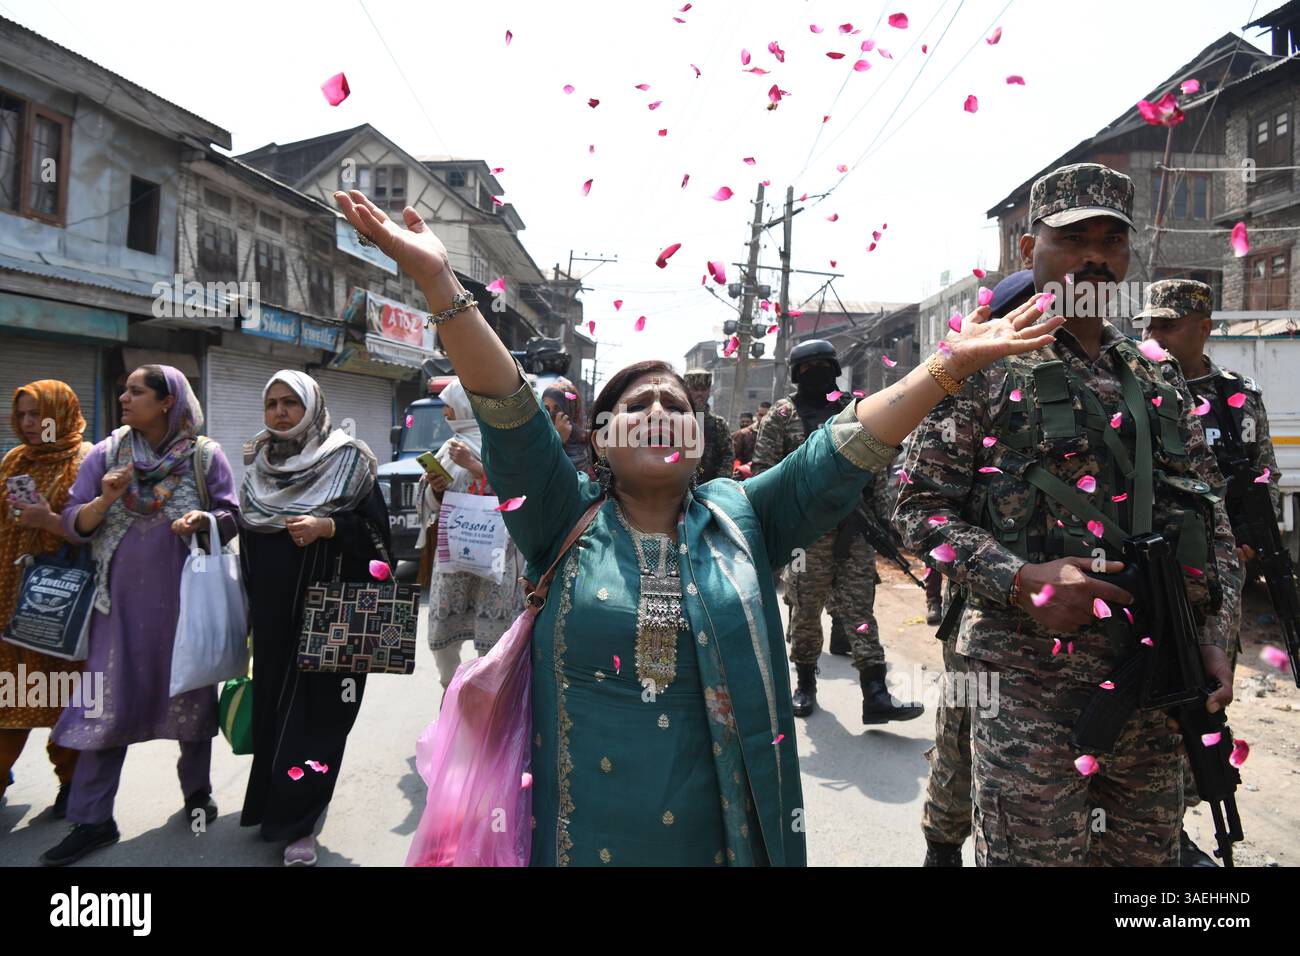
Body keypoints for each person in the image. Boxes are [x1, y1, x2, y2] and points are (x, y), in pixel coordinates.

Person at [334, 185, 1062, 865]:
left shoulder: (746, 516)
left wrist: (948, 366)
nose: (657, 412)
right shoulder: (560, 517)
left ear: (699, 435)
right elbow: (510, 411)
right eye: (636, 404)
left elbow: (841, 449)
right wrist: (440, 284)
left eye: (673, 403)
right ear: (604, 439)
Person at [894, 163, 1241, 867]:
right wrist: (1023, 578)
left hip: (1151, 676)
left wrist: (1217, 637)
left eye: (1111, 241)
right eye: (1073, 237)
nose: (1095, 256)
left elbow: (1216, 524)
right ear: (1028, 252)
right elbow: (916, 511)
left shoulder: (1160, 377)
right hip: (1025, 684)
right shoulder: (979, 366)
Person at [40, 366, 240, 866]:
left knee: (191, 704)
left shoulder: (203, 456)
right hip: (116, 611)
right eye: (123, 390)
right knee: (102, 712)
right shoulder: (106, 455)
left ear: (167, 401)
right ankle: (92, 820)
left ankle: (197, 797)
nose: (124, 398)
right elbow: (73, 523)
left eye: (136, 391)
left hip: (185, 611)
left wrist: (204, 520)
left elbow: (232, 517)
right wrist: (106, 498)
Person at [1138, 277, 1280, 866]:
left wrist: (1246, 544)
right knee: (1159, 694)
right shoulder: (1137, 386)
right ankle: (1163, 825)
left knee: (1210, 693)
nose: (1155, 336)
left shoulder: (1234, 396)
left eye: (1168, 325)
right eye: (1150, 325)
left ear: (1204, 326)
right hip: (1157, 570)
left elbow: (1261, 474)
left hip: (1217, 576)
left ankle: (1185, 817)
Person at [238, 370, 391, 867]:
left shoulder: (349, 460)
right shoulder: (259, 463)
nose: (280, 413)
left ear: (313, 407)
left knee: (318, 717)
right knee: (275, 711)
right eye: (272, 403)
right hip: (275, 617)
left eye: (290, 403)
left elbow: (380, 543)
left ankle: (300, 824)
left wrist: (329, 526)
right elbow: (247, 531)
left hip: (333, 614)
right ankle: (271, 806)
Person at [912, 268, 1036, 866]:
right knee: (961, 730)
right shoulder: (970, 390)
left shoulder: (1104, 389)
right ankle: (943, 842)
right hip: (983, 612)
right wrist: (1006, 575)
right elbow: (921, 507)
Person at [753, 339, 924, 723]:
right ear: (798, 375)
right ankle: (804, 684)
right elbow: (765, 472)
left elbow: (876, 468)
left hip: (854, 528)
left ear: (835, 369)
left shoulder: (856, 410)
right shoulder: (782, 415)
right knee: (806, 611)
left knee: (859, 608)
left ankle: (875, 692)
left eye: (824, 366)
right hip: (804, 534)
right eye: (810, 368)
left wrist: (883, 520)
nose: (818, 374)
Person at [0, 381, 89, 814]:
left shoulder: (85, 461)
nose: (29, 424)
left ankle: (73, 784)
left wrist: (47, 521)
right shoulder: (14, 460)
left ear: (62, 413)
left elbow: (94, 532)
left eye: (38, 414)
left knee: (62, 697)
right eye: (22, 415)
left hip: (59, 601)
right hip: (8, 598)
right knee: (8, 695)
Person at [419, 377, 526, 689]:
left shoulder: (501, 444)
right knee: (442, 637)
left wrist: (476, 465)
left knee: (492, 638)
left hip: (495, 553)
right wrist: (436, 489)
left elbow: (519, 491)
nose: (445, 415)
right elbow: (433, 501)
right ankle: (452, 691)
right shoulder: (447, 448)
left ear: (465, 407)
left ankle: (487, 695)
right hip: (455, 553)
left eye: (449, 408)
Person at [683, 369, 733, 483]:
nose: (700, 393)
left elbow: (727, 457)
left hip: (710, 488)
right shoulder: (676, 421)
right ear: (686, 391)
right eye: (695, 389)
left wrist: (718, 484)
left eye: (703, 389)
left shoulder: (718, 424)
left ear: (709, 391)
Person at [541, 381, 591, 475]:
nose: (551, 414)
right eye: (546, 408)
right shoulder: (537, 439)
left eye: (557, 408)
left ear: (571, 411)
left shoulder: (589, 442)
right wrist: (558, 440)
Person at [732, 411, 756, 476]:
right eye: (743, 422)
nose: (745, 424)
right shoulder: (736, 435)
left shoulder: (757, 435)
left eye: (747, 422)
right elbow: (734, 455)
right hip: (741, 470)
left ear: (752, 422)